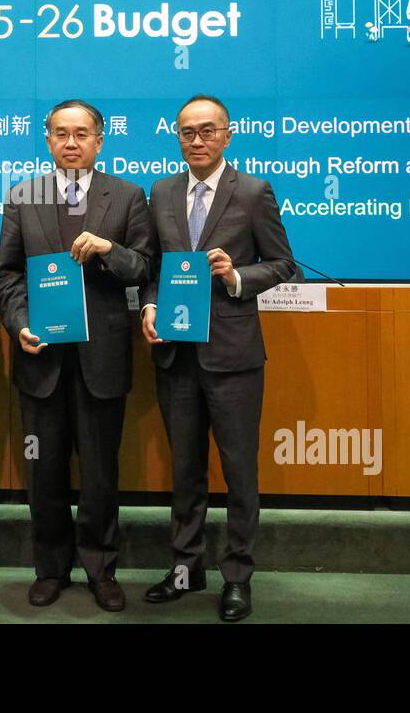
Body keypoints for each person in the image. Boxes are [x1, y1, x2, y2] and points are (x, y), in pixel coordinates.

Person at [140, 94, 296, 621]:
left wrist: (235, 277)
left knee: (238, 471)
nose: (198, 140)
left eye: (208, 131)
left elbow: (282, 264)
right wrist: (150, 305)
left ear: (227, 135)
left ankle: (237, 577)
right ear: (177, 137)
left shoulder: (252, 192)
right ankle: (186, 569)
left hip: (232, 355)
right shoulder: (160, 192)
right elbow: (150, 269)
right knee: (185, 470)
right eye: (187, 132)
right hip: (176, 355)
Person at [0, 99, 155, 611]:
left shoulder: (128, 196)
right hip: (40, 356)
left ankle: (101, 567)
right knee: (43, 470)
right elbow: (8, 275)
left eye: (82, 134)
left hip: (101, 356)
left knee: (100, 470)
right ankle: (50, 567)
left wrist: (110, 251)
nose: (71, 142)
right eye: (61, 134)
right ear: (47, 140)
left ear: (99, 140)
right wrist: (18, 324)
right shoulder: (23, 196)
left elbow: (145, 269)